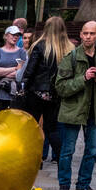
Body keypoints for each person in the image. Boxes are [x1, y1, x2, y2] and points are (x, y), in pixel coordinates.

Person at [55, 20, 96, 190]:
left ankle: (83, 185)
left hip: (95, 111)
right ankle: (64, 185)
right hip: (73, 110)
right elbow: (61, 87)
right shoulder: (70, 57)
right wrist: (84, 78)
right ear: (81, 35)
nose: (88, 37)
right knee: (67, 150)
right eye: (85, 33)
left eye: (92, 33)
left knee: (92, 150)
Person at [22, 16, 68, 165]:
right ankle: (62, 158)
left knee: (32, 127)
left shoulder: (40, 46)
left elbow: (30, 71)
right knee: (52, 128)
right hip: (55, 94)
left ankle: (35, 159)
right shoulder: (68, 48)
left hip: (36, 91)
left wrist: (24, 87)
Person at [0, 25, 26, 116]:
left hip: (15, 92)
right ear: (6, 36)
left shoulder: (22, 52)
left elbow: (22, 72)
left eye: (17, 35)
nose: (15, 37)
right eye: (13, 34)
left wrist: (3, 72)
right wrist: (14, 68)